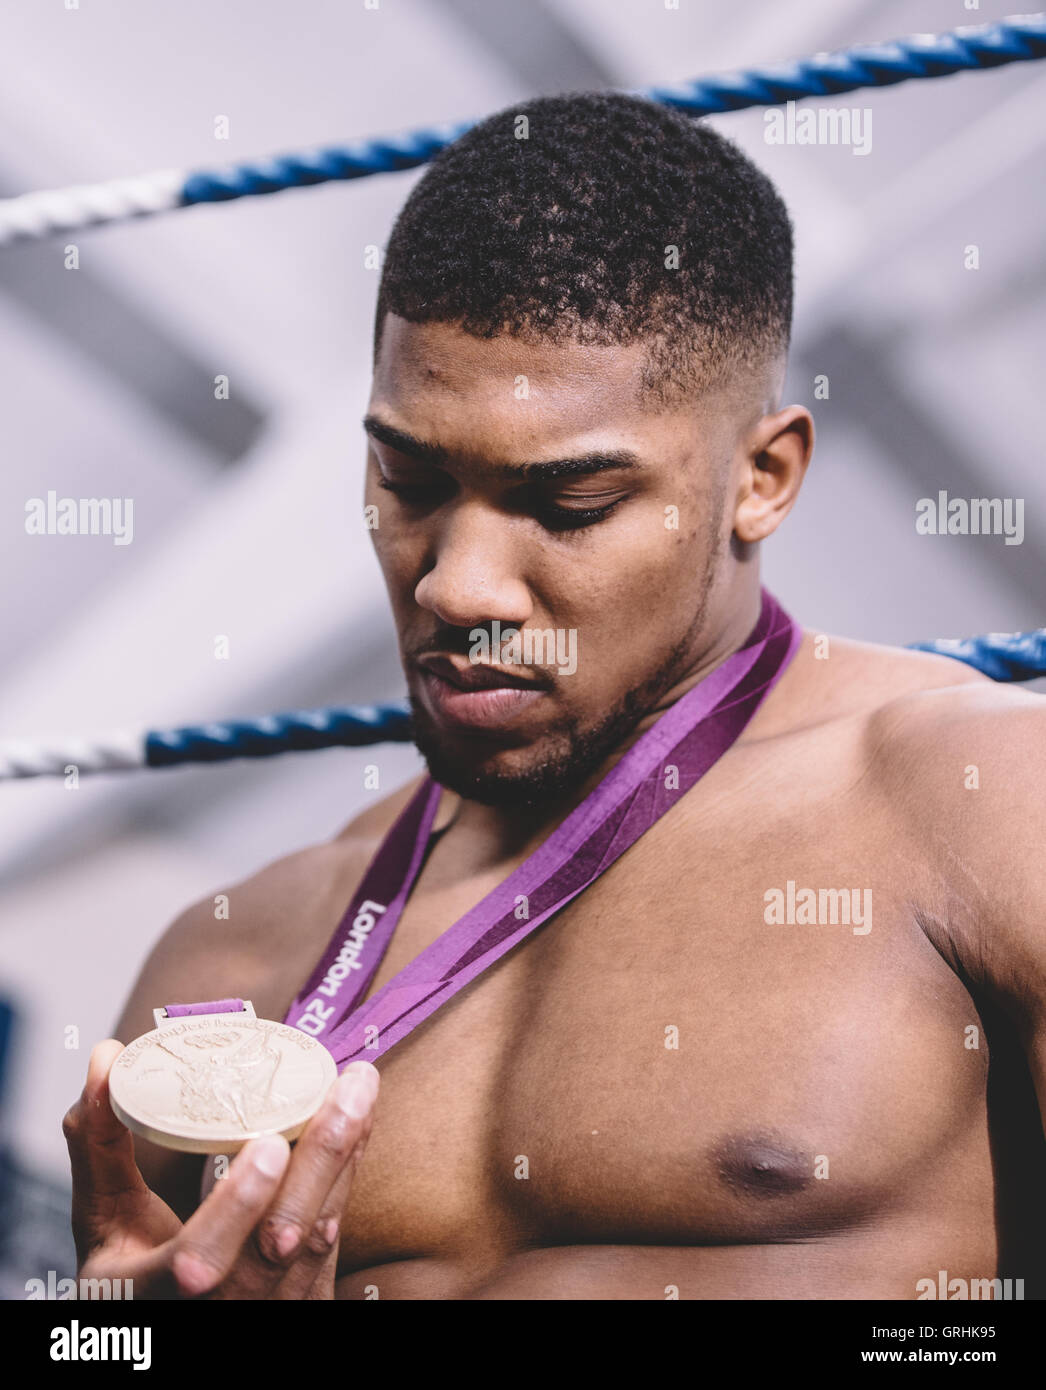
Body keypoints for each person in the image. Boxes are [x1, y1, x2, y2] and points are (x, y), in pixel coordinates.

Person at [63, 91, 1046, 1301]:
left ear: (761, 478)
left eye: (567, 505)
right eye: (409, 478)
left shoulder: (986, 803)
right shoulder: (231, 956)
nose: (456, 583)